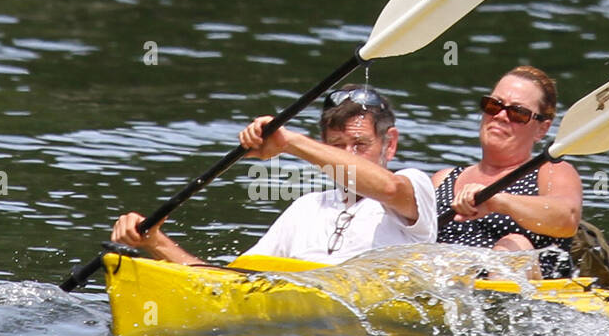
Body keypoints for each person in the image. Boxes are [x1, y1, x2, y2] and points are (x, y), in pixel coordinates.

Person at [111, 85, 437, 264]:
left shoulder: (414, 186)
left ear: (389, 144)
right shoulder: (306, 208)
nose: (346, 155)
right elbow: (229, 286)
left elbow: (389, 188)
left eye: (360, 144)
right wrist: (155, 241)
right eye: (336, 145)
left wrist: (288, 141)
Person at [433, 65, 582, 278]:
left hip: (519, 287)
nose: (501, 116)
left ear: (542, 128)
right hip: (447, 280)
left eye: (518, 113)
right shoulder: (443, 179)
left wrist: (499, 202)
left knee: (514, 246)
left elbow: (567, 220)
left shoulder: (551, 171)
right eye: (494, 105)